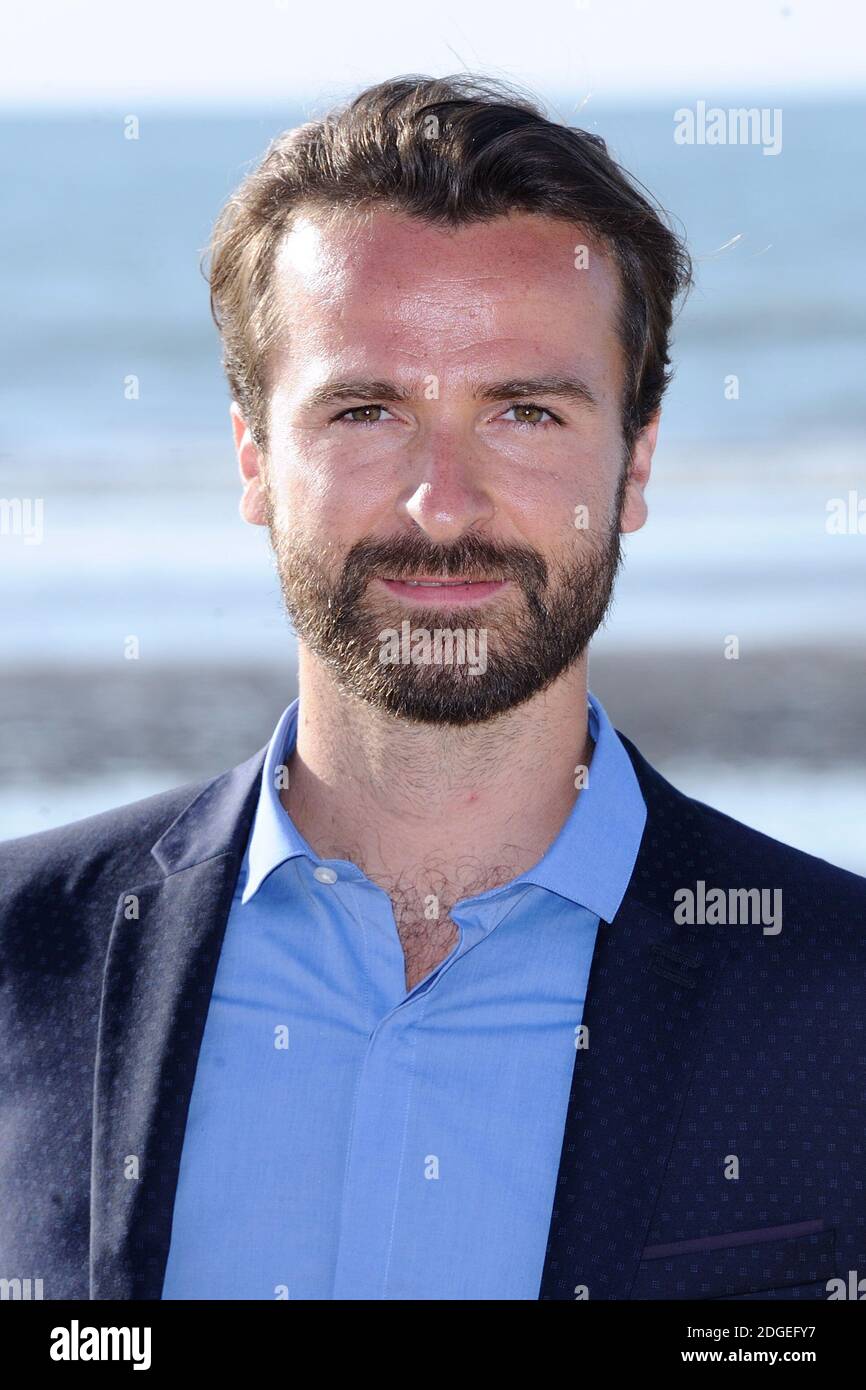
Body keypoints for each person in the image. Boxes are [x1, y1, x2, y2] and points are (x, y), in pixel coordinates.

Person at [1, 75, 863, 1302]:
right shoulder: (21, 954)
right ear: (253, 456)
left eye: (523, 412)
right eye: (365, 410)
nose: (441, 507)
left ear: (635, 460)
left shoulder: (841, 995)